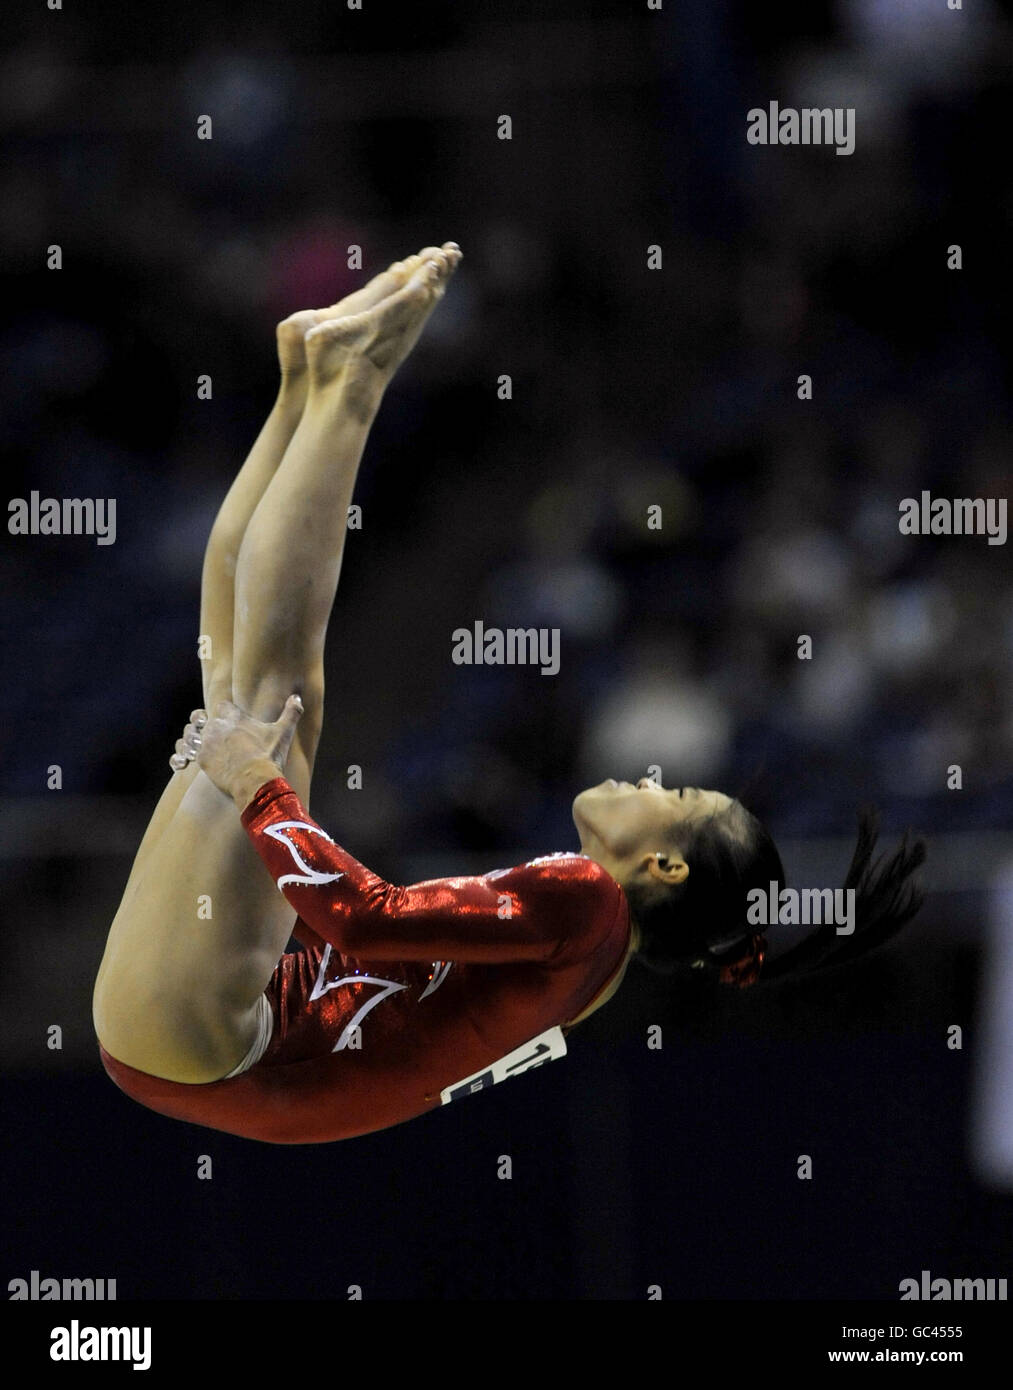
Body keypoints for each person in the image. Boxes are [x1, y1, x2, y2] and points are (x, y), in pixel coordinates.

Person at [92, 241, 926, 1144]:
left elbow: (365, 921)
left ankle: (346, 383)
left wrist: (261, 792)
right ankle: (308, 383)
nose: (650, 780)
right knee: (256, 692)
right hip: (221, 1041)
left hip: (228, 1044)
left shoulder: (588, 904)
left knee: (267, 703)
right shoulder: (590, 970)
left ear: (666, 868)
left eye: (676, 796)